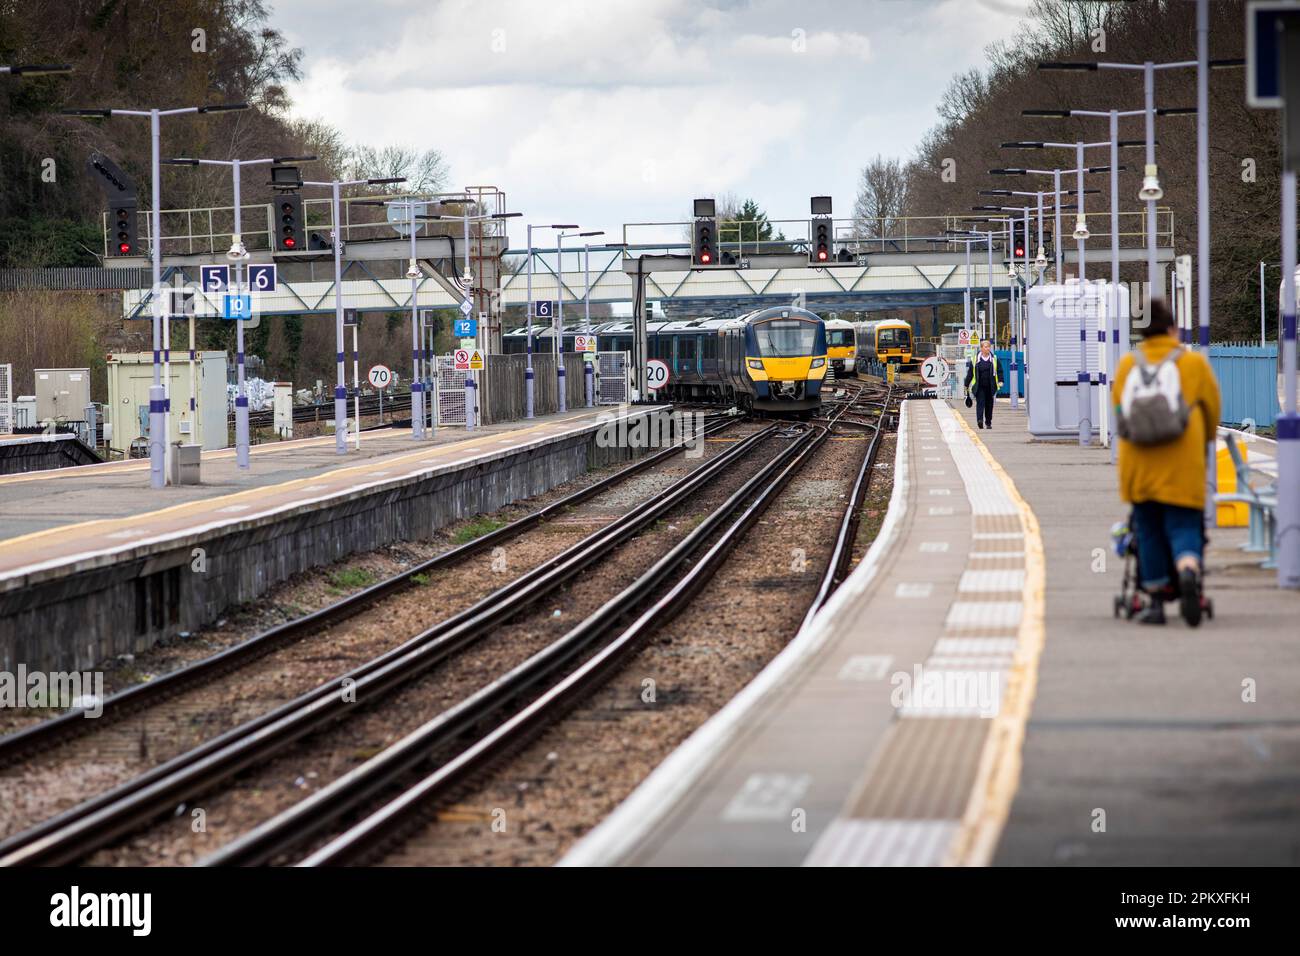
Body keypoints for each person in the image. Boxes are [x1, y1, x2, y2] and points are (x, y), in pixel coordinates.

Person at [1112, 298, 1221, 626]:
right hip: (1183, 463)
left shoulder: (1128, 365)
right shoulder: (1193, 364)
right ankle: (1188, 569)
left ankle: (1155, 602)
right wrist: (1202, 443)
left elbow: (1119, 414)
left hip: (1140, 465)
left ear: (1143, 333)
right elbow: (1213, 412)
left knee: (1148, 530)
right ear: (1173, 329)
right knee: (1184, 524)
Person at [963, 338, 1002, 429]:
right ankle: (979, 420)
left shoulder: (994, 359)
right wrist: (966, 384)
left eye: (989, 347)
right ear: (981, 348)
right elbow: (970, 373)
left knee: (989, 405)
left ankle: (988, 422)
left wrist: (1001, 381)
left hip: (991, 386)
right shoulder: (975, 360)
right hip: (979, 386)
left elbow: (999, 371)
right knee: (980, 403)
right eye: (985, 347)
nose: (988, 348)